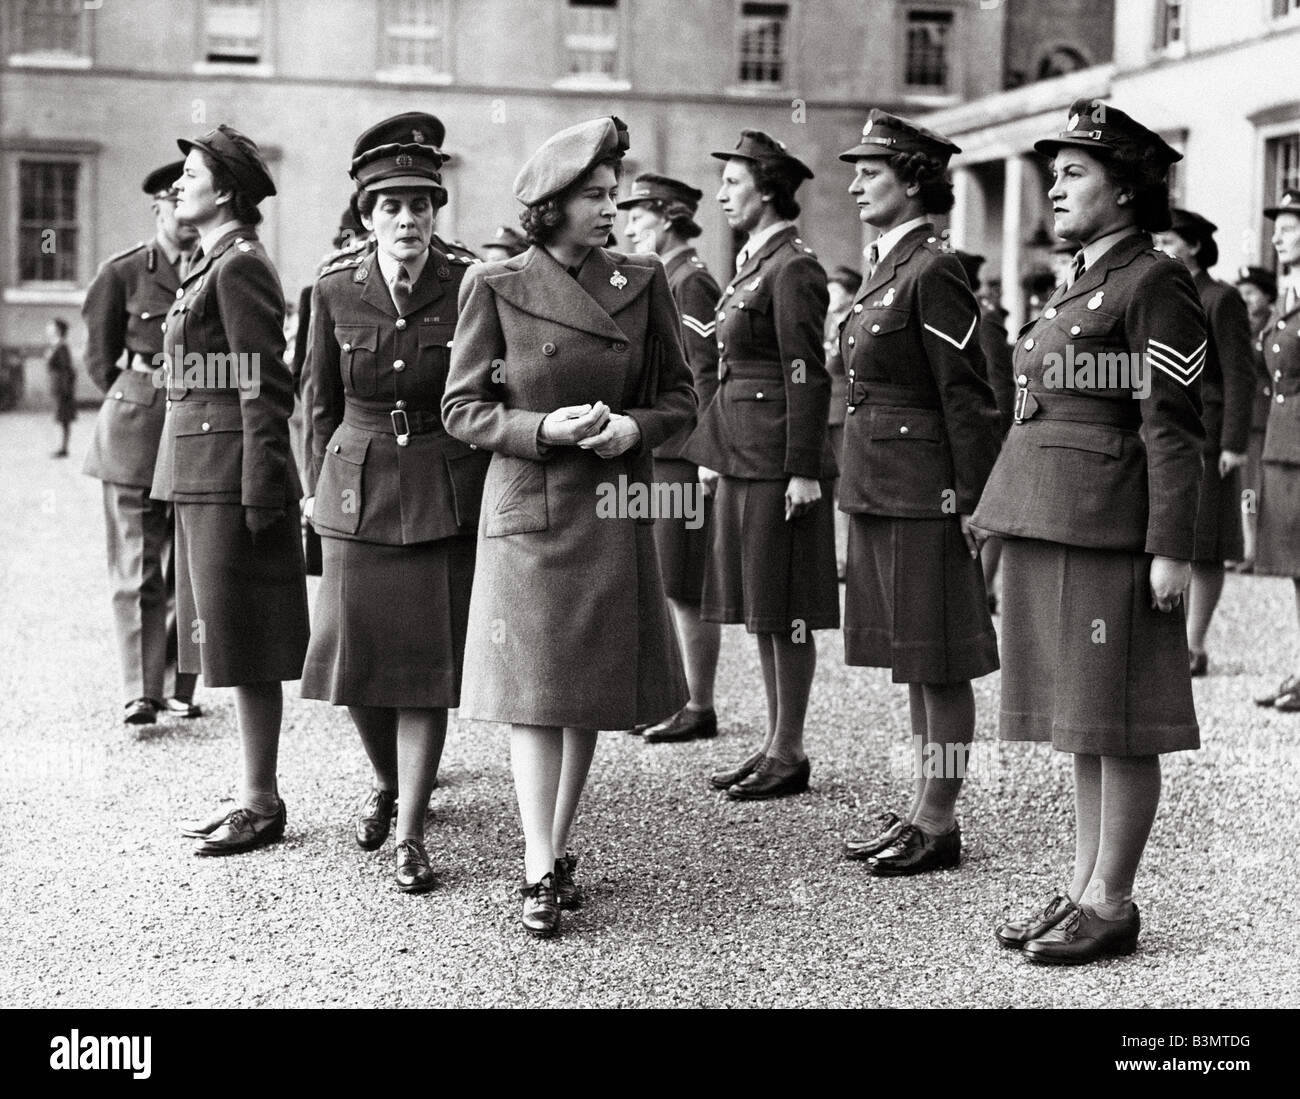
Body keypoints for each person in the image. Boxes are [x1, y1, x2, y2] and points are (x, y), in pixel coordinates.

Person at [442, 117, 695, 937]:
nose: (610, 207)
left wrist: (635, 429)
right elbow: (461, 408)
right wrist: (541, 430)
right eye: (593, 195)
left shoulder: (643, 279)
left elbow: (681, 399)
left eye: (613, 193)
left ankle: (557, 845)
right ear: (549, 207)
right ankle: (538, 866)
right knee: (535, 696)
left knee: (583, 693)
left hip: (612, 506)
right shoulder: (495, 283)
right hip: (531, 505)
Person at [972, 99, 1205, 963]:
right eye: (1056, 173)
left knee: (1121, 719)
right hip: (1060, 518)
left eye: (1075, 173)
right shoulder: (1081, 277)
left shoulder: (1154, 280)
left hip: (1114, 528)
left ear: (1126, 191)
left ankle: (1112, 899)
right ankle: (1082, 886)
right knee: (1082, 719)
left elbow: (1173, 421)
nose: (1057, 188)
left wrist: (1171, 543)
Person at [299, 113, 487, 893]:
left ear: (437, 210)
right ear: (367, 213)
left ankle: (410, 830)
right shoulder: (335, 285)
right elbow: (316, 401)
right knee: (352, 659)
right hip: (355, 483)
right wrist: (313, 490)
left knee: (425, 665)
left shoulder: (471, 280)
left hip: (442, 487)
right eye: (391, 206)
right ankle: (388, 778)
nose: (407, 220)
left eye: (421, 204)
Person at [835, 112, 1002, 875]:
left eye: (870, 172)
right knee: (913, 656)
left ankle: (939, 819)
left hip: (924, 489)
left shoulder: (934, 268)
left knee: (938, 659)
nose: (855, 184)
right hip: (882, 484)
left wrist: (975, 501)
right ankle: (921, 806)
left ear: (911, 181)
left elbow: (965, 396)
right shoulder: (887, 264)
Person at [151, 125, 310, 856]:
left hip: (229, 472)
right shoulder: (210, 262)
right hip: (200, 467)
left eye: (192, 173)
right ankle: (252, 790)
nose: (180, 185)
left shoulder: (240, 265)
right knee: (226, 634)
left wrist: (261, 487)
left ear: (228, 192)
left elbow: (263, 384)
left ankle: (262, 800)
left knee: (243, 635)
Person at [685, 130, 839, 801]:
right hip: (744, 453)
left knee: (788, 607)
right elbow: (729, 369)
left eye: (734, 183)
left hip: (778, 460)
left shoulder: (793, 268)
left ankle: (791, 747)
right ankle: (776, 742)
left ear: (769, 190)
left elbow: (806, 374)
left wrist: (804, 467)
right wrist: (715, 450)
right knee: (761, 606)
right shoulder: (755, 261)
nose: (721, 194)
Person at [82, 162, 203, 725]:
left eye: (190, 199)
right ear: (157, 207)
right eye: (172, 203)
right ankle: (139, 691)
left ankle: (178, 683)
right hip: (133, 429)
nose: (183, 214)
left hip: (197, 428)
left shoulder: (218, 268)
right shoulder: (124, 272)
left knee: (189, 563)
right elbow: (99, 359)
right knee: (136, 565)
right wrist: (141, 394)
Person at [618, 172, 723, 743]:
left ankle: (699, 706)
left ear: (670, 217)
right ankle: (676, 698)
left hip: (683, 453)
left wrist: (707, 452)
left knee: (685, 586)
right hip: (665, 450)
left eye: (641, 217)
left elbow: (705, 371)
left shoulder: (689, 281)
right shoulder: (669, 277)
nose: (632, 226)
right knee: (665, 582)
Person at [1154, 209, 1254, 675]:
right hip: (1168, 430)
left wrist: (1234, 442)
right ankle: (1170, 639)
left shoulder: (1221, 297)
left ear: (1193, 246)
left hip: (1211, 436)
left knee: (1206, 542)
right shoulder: (1162, 294)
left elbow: (1239, 373)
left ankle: (1193, 645)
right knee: (1172, 532)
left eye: (1171, 240)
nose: (1163, 247)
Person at [1253, 190, 1300, 711]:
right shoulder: (1288, 296)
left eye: (1288, 228)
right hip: (1284, 443)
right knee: (1296, 569)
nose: (1276, 237)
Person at [1234, 264, 1279, 570]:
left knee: (1257, 490)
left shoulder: (1275, 326)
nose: (1245, 299)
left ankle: (1254, 551)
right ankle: (1247, 548)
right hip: (1244, 421)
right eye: (1241, 293)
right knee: (1245, 491)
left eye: (1251, 293)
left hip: (1265, 421)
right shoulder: (1239, 325)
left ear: (1267, 295)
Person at [825, 266, 861, 580]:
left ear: (849, 295)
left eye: (835, 290)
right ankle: (837, 556)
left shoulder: (850, 323)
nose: (829, 296)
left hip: (842, 414)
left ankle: (845, 558)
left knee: (842, 491)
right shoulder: (830, 324)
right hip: (828, 412)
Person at [46, 318, 76, 457]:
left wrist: (65, 390)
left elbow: (66, 369)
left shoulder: (61, 346)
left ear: (57, 330)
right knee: (60, 418)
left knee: (63, 418)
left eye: (51, 326)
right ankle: (61, 447)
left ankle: (63, 448)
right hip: (58, 386)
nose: (48, 328)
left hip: (62, 388)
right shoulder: (56, 345)